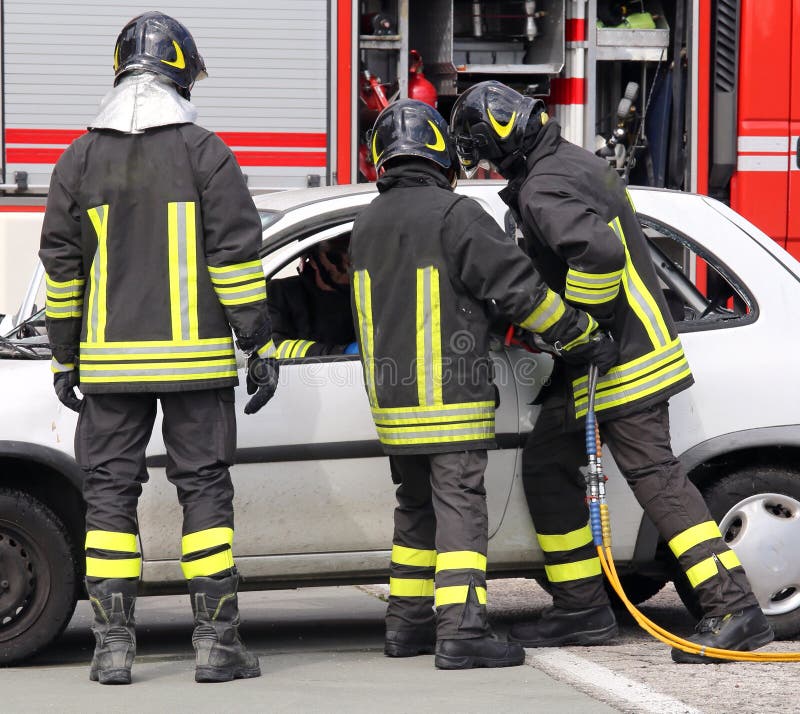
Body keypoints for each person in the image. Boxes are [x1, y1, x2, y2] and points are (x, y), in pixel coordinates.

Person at [449, 80, 773, 663]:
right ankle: (581, 609)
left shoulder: (544, 186)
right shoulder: (567, 163)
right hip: (609, 357)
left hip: (622, 360)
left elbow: (598, 256)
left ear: (499, 145)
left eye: (486, 156)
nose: (489, 167)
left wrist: (578, 326)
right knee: (549, 465)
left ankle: (734, 609)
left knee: (656, 479)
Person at [39, 11, 279, 684]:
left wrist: (64, 356)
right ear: (181, 74)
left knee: (108, 497)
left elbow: (63, 272)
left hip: (109, 369)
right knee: (205, 493)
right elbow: (236, 260)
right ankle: (217, 645)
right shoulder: (207, 153)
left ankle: (112, 649)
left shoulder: (78, 159)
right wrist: (259, 343)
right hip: (197, 367)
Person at [349, 98, 616, 670]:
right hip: (450, 398)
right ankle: (463, 631)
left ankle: (407, 625)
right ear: (441, 156)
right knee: (460, 510)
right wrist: (578, 333)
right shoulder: (456, 215)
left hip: (393, 404)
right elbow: (520, 291)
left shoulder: (365, 223)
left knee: (414, 510)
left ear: (382, 158)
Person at [266, 237, 357, 359]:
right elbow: (271, 348)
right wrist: (341, 353)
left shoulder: (367, 294)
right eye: (335, 253)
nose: (347, 261)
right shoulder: (280, 293)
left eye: (350, 250)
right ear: (314, 260)